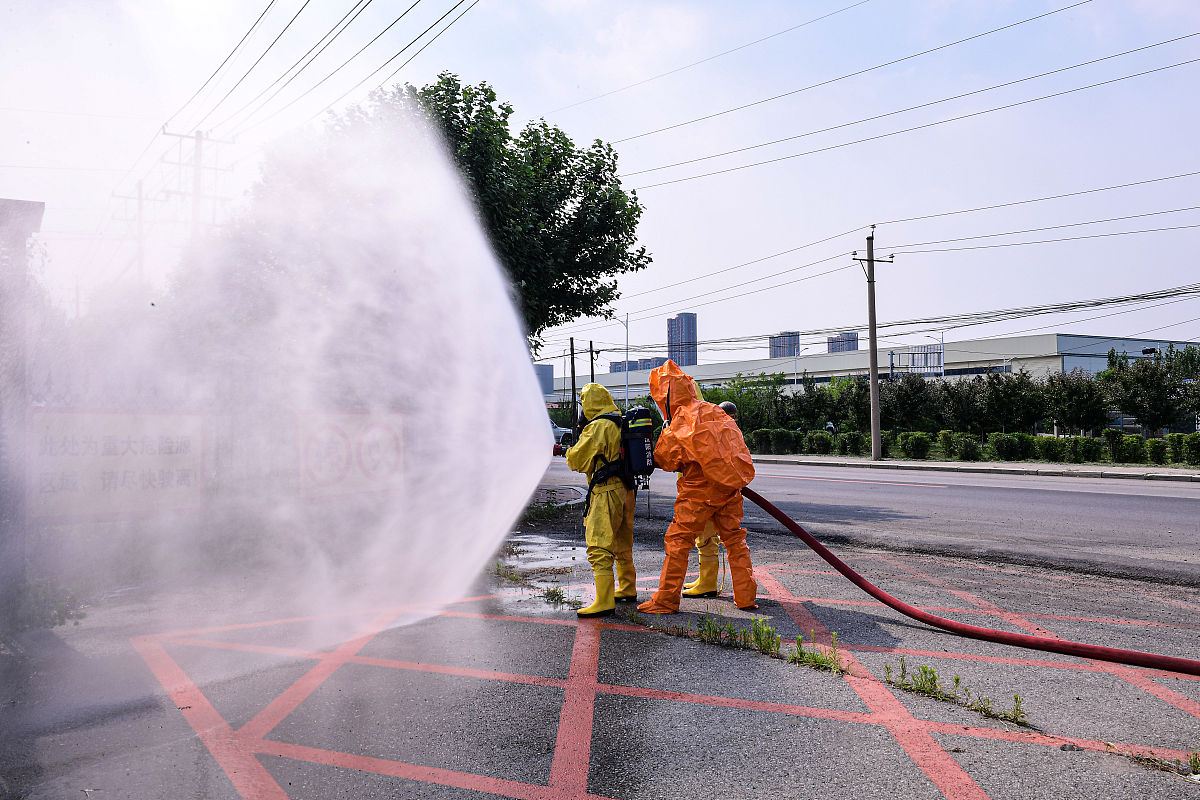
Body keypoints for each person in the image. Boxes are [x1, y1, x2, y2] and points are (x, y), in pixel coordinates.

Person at [638, 362, 758, 614]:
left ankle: (666, 601)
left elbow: (666, 459)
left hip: (697, 493)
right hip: (729, 489)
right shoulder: (715, 411)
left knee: (678, 541)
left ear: (666, 396)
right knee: (735, 541)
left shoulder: (680, 421)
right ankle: (746, 598)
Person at [565, 383, 638, 617]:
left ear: (589, 403)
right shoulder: (619, 420)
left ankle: (604, 601)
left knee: (599, 544)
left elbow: (577, 460)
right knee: (622, 544)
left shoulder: (598, 426)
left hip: (606, 491)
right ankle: (627, 588)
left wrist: (568, 451)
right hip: (626, 490)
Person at [681, 400, 739, 598]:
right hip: (724, 495)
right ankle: (707, 579)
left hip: (712, 495)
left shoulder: (722, 434)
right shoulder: (732, 433)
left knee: (707, 537)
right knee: (710, 538)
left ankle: (707, 582)